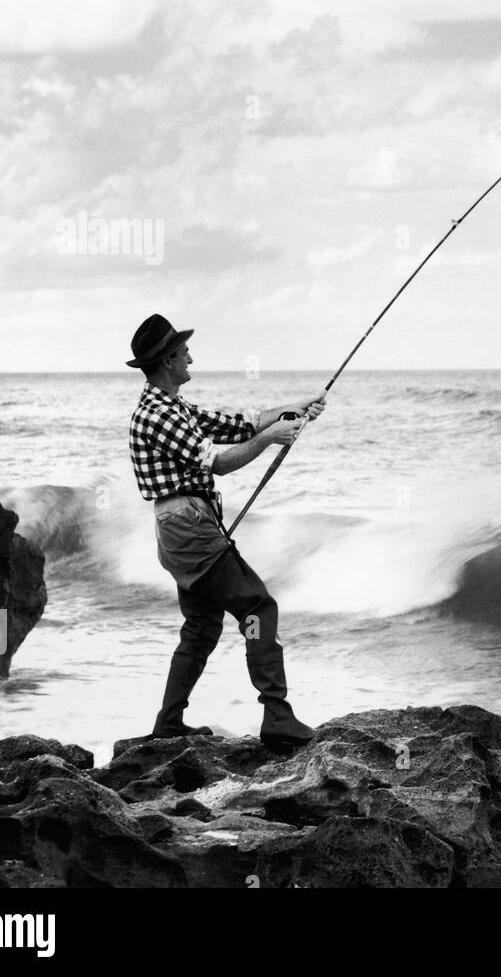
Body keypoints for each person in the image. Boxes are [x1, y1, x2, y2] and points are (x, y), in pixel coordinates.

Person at [125, 313, 325, 750]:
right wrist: (272, 437)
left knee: (200, 627)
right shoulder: (158, 415)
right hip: (189, 528)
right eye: (183, 352)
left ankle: (168, 724)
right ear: (166, 362)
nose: (191, 356)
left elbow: (238, 424)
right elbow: (218, 462)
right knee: (257, 606)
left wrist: (294, 411)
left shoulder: (172, 407)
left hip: (181, 527)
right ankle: (277, 716)